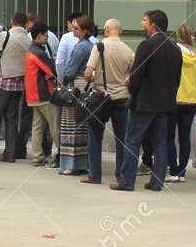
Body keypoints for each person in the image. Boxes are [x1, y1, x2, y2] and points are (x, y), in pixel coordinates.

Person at [117, 10, 183, 192]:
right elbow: (177, 78)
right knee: (160, 142)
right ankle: (157, 182)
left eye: (145, 20)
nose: (142, 23)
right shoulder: (175, 48)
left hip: (144, 102)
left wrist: (131, 87)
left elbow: (136, 74)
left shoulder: (146, 45)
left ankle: (127, 181)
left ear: (153, 24)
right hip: (165, 103)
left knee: (132, 140)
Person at [82, 19, 135, 186]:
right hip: (121, 97)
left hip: (100, 97)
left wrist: (95, 76)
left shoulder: (99, 47)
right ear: (120, 31)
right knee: (122, 138)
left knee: (95, 135)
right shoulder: (128, 50)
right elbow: (133, 75)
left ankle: (94, 175)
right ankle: (120, 175)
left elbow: (87, 73)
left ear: (106, 30)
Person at [0, 11, 31, 163]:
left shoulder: (3, 36)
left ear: (12, 21)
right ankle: (10, 153)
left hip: (1, 82)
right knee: (12, 119)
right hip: (19, 84)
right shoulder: (28, 39)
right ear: (25, 24)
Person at [167, 23, 196, 183]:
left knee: (169, 137)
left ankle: (173, 170)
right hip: (190, 100)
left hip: (173, 98)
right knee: (184, 138)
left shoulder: (173, 51)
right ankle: (182, 172)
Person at [58, 16, 95, 176]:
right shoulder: (90, 45)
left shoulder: (81, 47)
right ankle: (81, 163)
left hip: (77, 86)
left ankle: (71, 165)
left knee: (71, 125)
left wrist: (62, 83)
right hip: (86, 86)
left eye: (76, 28)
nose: (73, 30)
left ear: (84, 31)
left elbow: (70, 70)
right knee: (82, 126)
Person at [24, 24, 58, 168]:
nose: (47, 38)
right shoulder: (39, 53)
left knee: (37, 127)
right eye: (46, 35)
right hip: (44, 95)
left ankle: (37, 156)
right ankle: (62, 154)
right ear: (39, 36)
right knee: (55, 126)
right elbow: (51, 72)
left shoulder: (30, 50)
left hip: (33, 95)